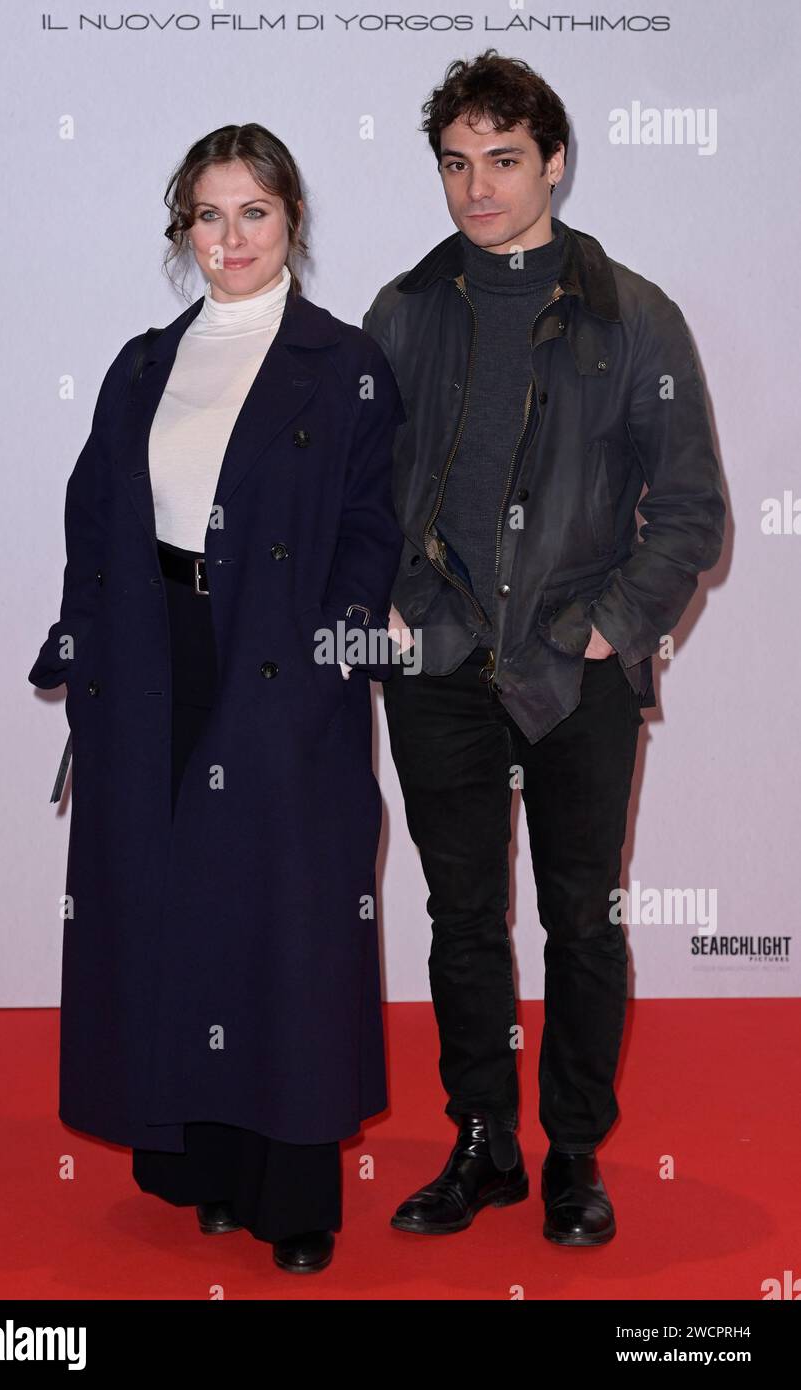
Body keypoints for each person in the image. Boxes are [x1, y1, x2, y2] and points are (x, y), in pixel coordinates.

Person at [28, 123, 406, 1274]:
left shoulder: (343, 362)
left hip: (281, 663)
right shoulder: (145, 360)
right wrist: (78, 648)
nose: (230, 238)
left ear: (290, 218)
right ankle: (196, 1158)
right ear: (181, 229)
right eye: (208, 214)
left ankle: (291, 1189)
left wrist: (327, 669)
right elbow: (93, 520)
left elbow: (366, 533)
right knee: (170, 909)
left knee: (283, 924)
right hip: (155, 660)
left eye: (253, 211)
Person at [363, 52, 726, 1245]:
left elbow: (688, 514)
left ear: (554, 162)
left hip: (578, 666)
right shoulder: (402, 311)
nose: (476, 189)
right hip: (441, 664)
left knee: (581, 919)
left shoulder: (634, 312)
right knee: (459, 919)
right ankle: (480, 1141)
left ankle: (571, 1153)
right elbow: (359, 495)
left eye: (502, 161)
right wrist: (399, 600)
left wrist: (608, 628)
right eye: (455, 164)